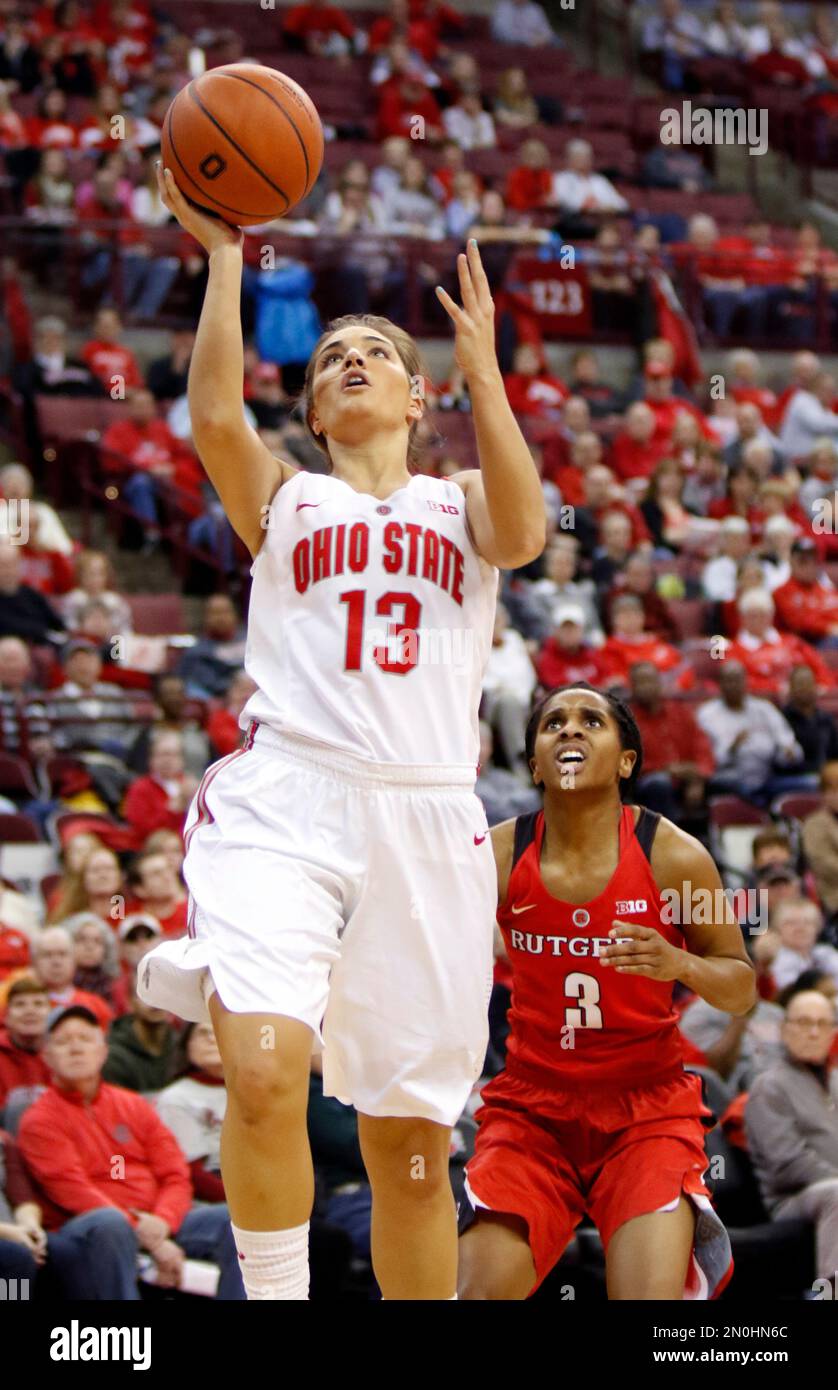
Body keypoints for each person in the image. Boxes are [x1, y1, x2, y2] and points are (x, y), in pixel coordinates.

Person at [136, 163, 545, 1302]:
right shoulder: (284, 498)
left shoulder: (459, 499)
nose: (348, 363)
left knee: (411, 1151)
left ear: (417, 398)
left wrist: (485, 381)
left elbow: (519, 535)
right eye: (329, 361)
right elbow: (215, 415)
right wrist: (224, 258)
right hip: (291, 796)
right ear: (313, 411)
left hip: (426, 816)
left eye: (373, 355)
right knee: (264, 1072)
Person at [457, 683, 754, 1299]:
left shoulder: (673, 855)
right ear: (534, 764)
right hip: (533, 1111)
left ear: (625, 761)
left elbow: (740, 986)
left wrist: (679, 962)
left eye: (591, 720)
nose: (569, 729)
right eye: (553, 723)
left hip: (646, 1111)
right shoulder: (499, 854)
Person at [17, 1004, 245, 1300]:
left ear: (103, 1051)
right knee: (110, 1224)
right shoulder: (39, 1119)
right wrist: (144, 1231)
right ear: (46, 1056)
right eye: (63, 1042)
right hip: (90, 1225)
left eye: (85, 1039)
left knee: (236, 1219)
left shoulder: (132, 1105)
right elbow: (74, 1191)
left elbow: (174, 1172)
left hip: (159, 1217)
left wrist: (162, 1221)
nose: (75, 1049)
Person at [745, 990, 838, 1280]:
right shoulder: (769, 1086)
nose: (813, 1032)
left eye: (823, 1024)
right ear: (784, 1029)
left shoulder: (835, 1081)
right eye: (803, 1022)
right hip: (792, 1200)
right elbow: (788, 1165)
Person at [697, 661, 805, 803]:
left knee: (810, 784)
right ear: (720, 684)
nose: (734, 685)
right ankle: (766, 812)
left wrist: (788, 753)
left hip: (767, 777)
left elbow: (789, 745)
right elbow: (706, 762)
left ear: (746, 681)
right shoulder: (707, 714)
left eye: (738, 679)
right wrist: (732, 748)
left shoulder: (764, 709)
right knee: (738, 785)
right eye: (729, 680)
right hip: (729, 777)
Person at [103, 971, 177, 1092]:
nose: (154, 1001)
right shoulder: (113, 1054)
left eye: (162, 992)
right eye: (145, 992)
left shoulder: (182, 1048)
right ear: (130, 1002)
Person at [30, 927, 114, 1031]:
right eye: (47, 955)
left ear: (74, 960)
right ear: (34, 963)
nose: (56, 962)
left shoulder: (97, 1005)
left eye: (63, 954)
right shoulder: (25, 1006)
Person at [0, 976, 50, 1113]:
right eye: (20, 1004)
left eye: (38, 1004)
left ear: (50, 1014)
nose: (30, 1011)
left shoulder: (62, 1054)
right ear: (7, 1017)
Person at [801, 762, 838, 922]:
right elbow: (823, 863)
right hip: (832, 892)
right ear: (823, 794)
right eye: (834, 791)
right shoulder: (815, 823)